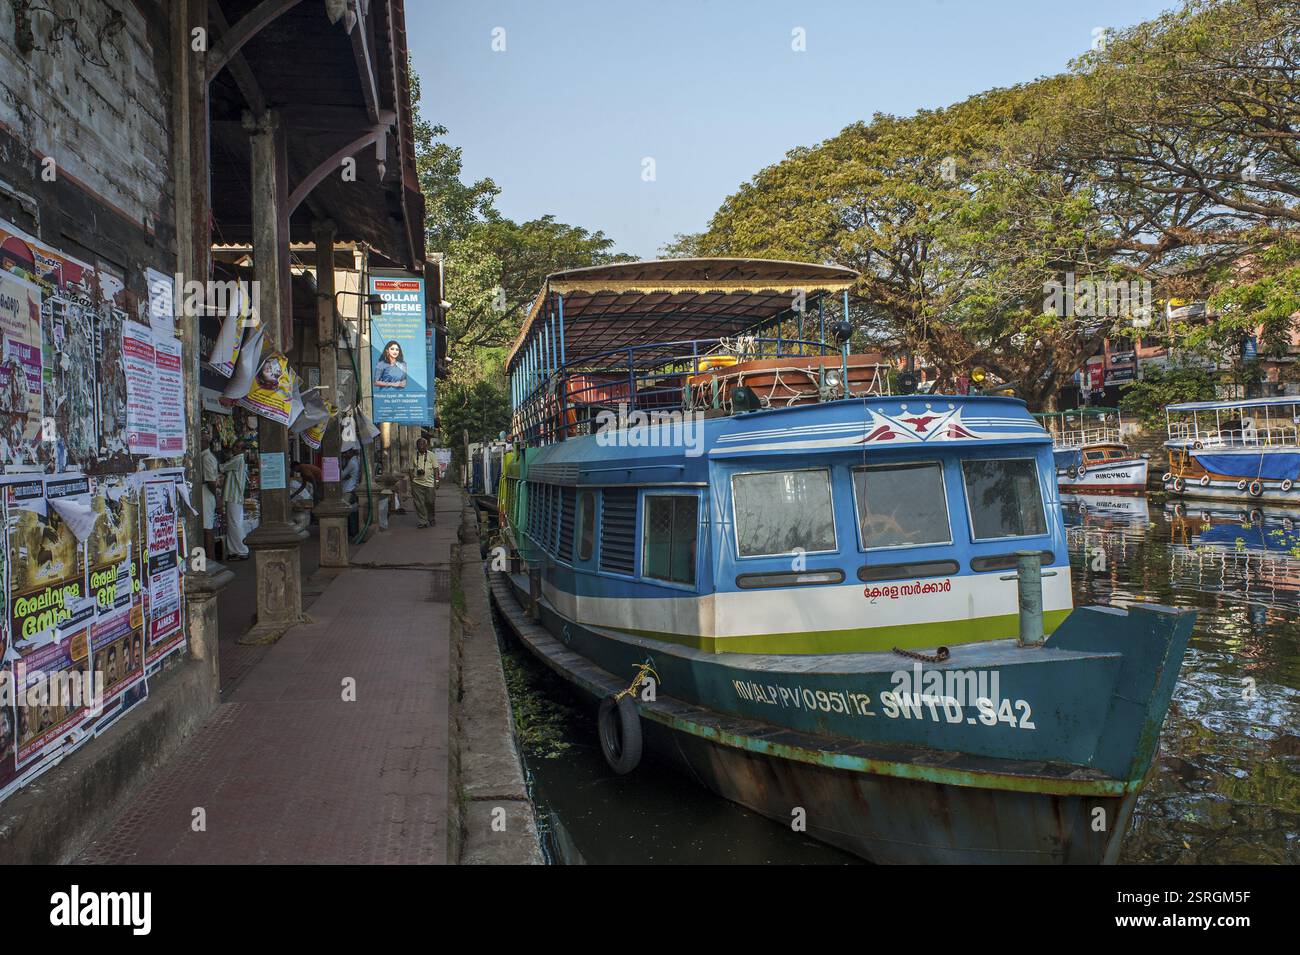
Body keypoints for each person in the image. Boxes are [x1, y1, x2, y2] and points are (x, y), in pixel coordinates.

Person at [220, 440, 250, 560]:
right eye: (234, 446)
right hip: (234, 496)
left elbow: (222, 467)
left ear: (242, 450)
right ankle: (235, 550)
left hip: (234, 496)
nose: (234, 449)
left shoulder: (238, 459)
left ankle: (241, 551)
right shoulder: (238, 459)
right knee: (234, 523)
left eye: (237, 447)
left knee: (234, 523)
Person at [200, 432, 220, 559]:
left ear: (206, 443)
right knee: (206, 525)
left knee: (207, 527)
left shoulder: (206, 458)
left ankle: (211, 558)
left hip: (206, 492)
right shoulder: (206, 457)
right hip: (207, 492)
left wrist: (217, 497)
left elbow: (211, 481)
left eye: (200, 441)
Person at [411, 437, 438, 528]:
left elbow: (436, 468)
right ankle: (423, 521)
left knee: (430, 502)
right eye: (419, 445)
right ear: (417, 446)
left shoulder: (431, 455)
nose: (421, 447)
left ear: (426, 446)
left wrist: (437, 481)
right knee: (419, 503)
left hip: (429, 483)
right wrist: (412, 481)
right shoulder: (414, 455)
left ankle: (431, 517)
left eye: (423, 445)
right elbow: (411, 469)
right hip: (417, 483)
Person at [340, 449, 360, 538]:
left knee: (346, 512)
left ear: (350, 452)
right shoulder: (355, 460)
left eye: (346, 452)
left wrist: (338, 467)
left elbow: (342, 475)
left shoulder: (352, 462)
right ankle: (352, 532)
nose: (344, 454)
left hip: (348, 489)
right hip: (351, 488)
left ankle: (350, 533)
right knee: (351, 513)